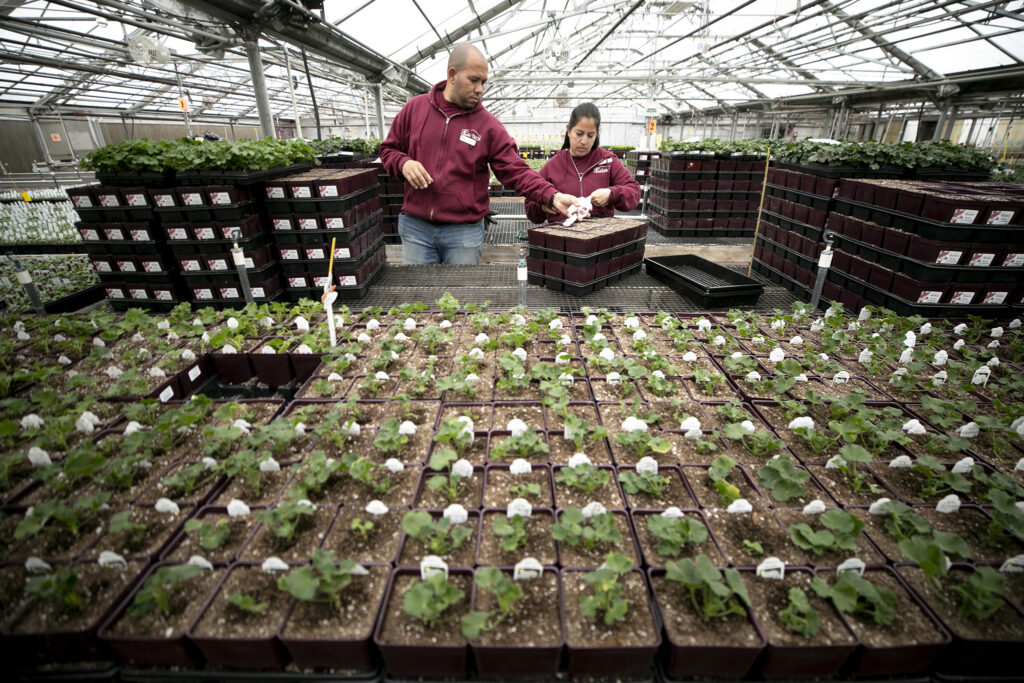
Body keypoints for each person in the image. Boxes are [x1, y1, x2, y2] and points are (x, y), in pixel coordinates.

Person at [379, 43, 581, 264]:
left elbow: (516, 170)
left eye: (483, 82)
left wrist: (552, 196)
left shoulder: (488, 126)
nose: (480, 89)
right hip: (417, 228)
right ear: (452, 75)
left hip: (463, 232)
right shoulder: (415, 109)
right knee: (418, 287)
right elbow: (388, 150)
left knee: (461, 287)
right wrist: (404, 163)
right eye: (474, 80)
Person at [524, 102, 641, 225]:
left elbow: (634, 191)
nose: (584, 141)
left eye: (590, 135)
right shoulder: (553, 166)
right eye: (579, 134)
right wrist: (544, 206)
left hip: (600, 234)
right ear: (568, 130)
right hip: (561, 234)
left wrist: (611, 194)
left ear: (597, 134)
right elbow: (530, 207)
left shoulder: (608, 162)